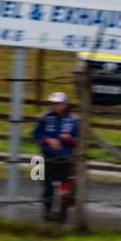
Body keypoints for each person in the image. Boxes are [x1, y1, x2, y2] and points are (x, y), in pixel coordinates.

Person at [32, 91, 79, 223]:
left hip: (66, 159)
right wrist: (48, 140)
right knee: (47, 186)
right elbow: (36, 135)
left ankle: (62, 215)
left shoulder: (74, 120)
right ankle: (47, 213)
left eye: (58, 103)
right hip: (48, 158)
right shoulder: (45, 118)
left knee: (64, 187)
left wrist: (69, 139)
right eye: (53, 103)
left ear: (65, 104)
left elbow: (79, 140)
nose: (55, 106)